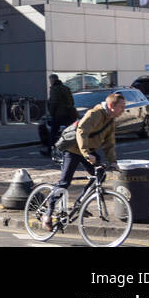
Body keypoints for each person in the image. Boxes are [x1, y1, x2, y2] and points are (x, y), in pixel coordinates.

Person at [43, 91, 125, 229]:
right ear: (111, 105)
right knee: (65, 182)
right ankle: (48, 212)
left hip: (88, 151)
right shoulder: (95, 114)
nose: (123, 109)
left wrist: (113, 162)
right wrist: (87, 154)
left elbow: (109, 144)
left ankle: (79, 204)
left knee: (99, 174)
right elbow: (81, 131)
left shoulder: (110, 120)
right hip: (74, 149)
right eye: (121, 107)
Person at [42, 74, 77, 156]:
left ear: (52, 80)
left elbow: (53, 102)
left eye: (50, 80)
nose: (50, 82)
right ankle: (76, 150)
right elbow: (72, 101)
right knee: (72, 132)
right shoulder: (66, 88)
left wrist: (52, 113)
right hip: (69, 114)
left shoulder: (54, 89)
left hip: (58, 114)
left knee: (53, 134)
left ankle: (50, 151)